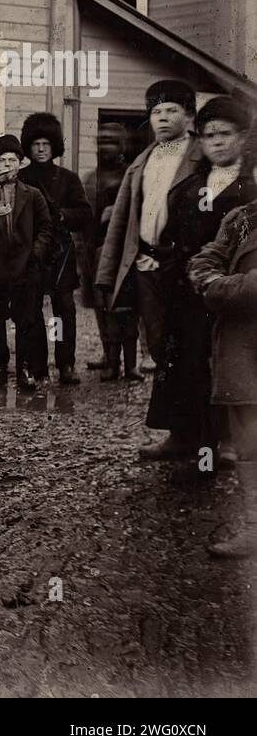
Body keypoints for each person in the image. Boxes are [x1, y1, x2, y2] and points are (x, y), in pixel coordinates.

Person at [97, 80, 206, 458]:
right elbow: (121, 224)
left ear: (189, 116)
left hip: (187, 268)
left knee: (194, 350)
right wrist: (106, 275)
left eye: (171, 110)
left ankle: (208, 439)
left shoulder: (203, 157)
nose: (162, 118)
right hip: (146, 267)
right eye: (156, 112)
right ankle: (179, 433)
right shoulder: (143, 161)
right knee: (159, 347)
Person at [151, 96, 257, 464]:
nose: (216, 142)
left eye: (225, 134)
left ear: (242, 138)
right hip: (188, 289)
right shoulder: (191, 187)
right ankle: (182, 435)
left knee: (224, 362)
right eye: (208, 135)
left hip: (230, 294)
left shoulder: (249, 189)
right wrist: (174, 272)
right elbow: (171, 238)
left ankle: (223, 439)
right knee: (183, 360)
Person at [189, 198, 257, 557]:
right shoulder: (243, 217)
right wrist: (214, 279)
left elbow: (251, 289)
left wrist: (217, 286)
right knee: (248, 444)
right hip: (241, 351)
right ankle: (254, 529)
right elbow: (206, 259)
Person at [0, 135, 52, 391]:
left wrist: (35, 254)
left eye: (11, 160)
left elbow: (46, 228)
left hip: (26, 268)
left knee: (27, 319)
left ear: (20, 163)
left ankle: (24, 368)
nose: (6, 165)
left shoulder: (32, 194)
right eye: (1, 160)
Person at [18, 112, 92, 385]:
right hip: (32, 252)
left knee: (64, 311)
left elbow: (85, 213)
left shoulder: (68, 179)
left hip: (61, 252)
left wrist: (61, 216)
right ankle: (38, 367)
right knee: (32, 310)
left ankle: (66, 365)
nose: (40, 149)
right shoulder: (21, 177)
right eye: (35, 144)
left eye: (45, 144)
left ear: (54, 146)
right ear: (28, 145)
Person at [83, 122, 141, 380]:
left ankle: (131, 364)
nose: (105, 147)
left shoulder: (131, 177)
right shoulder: (90, 179)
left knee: (126, 310)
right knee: (100, 306)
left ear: (121, 146)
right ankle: (109, 356)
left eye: (111, 142)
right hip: (93, 252)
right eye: (101, 141)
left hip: (122, 254)